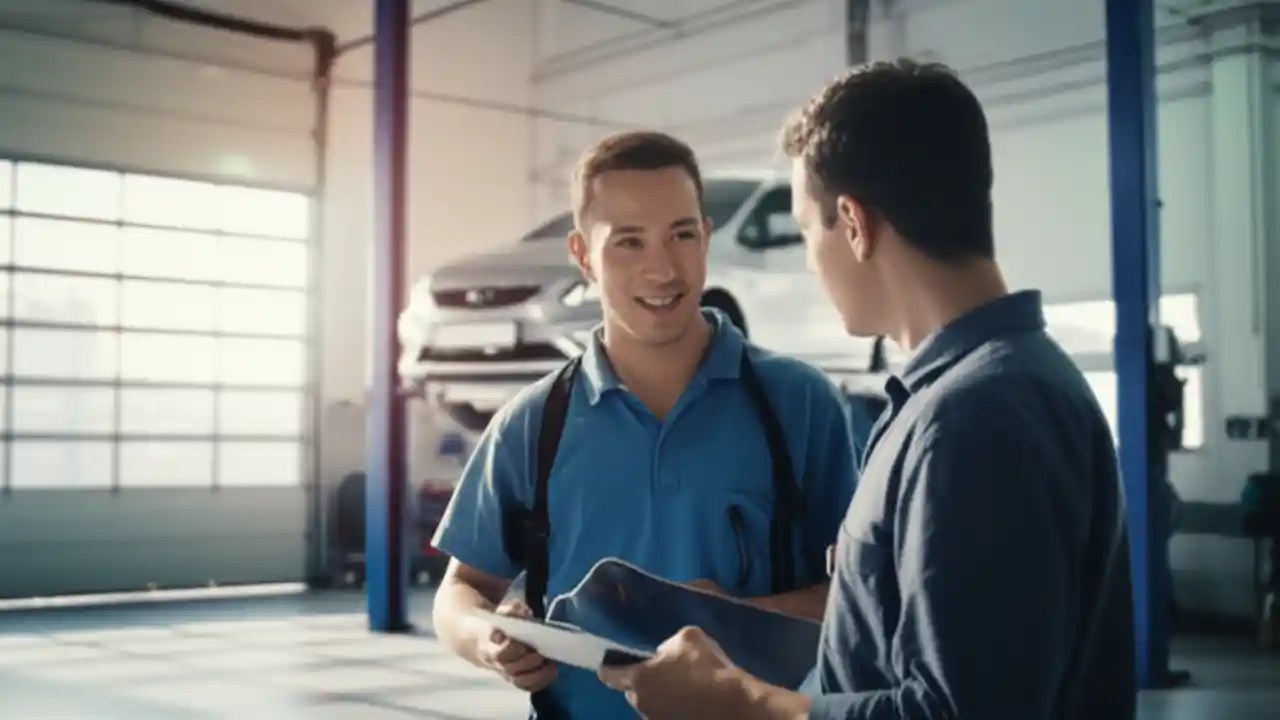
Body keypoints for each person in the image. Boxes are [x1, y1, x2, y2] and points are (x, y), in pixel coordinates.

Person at [600, 59, 1137, 719]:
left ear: (852, 223)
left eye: (805, 231)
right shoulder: (972, 395)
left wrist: (734, 702)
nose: (808, 258)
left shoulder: (976, 421)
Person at [430, 130, 862, 718]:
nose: (661, 269)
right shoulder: (532, 425)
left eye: (681, 235)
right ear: (583, 256)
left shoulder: (800, 405)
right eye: (628, 243)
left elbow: (860, 599)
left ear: (706, 239)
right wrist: (487, 639)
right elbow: (460, 592)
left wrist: (735, 614)